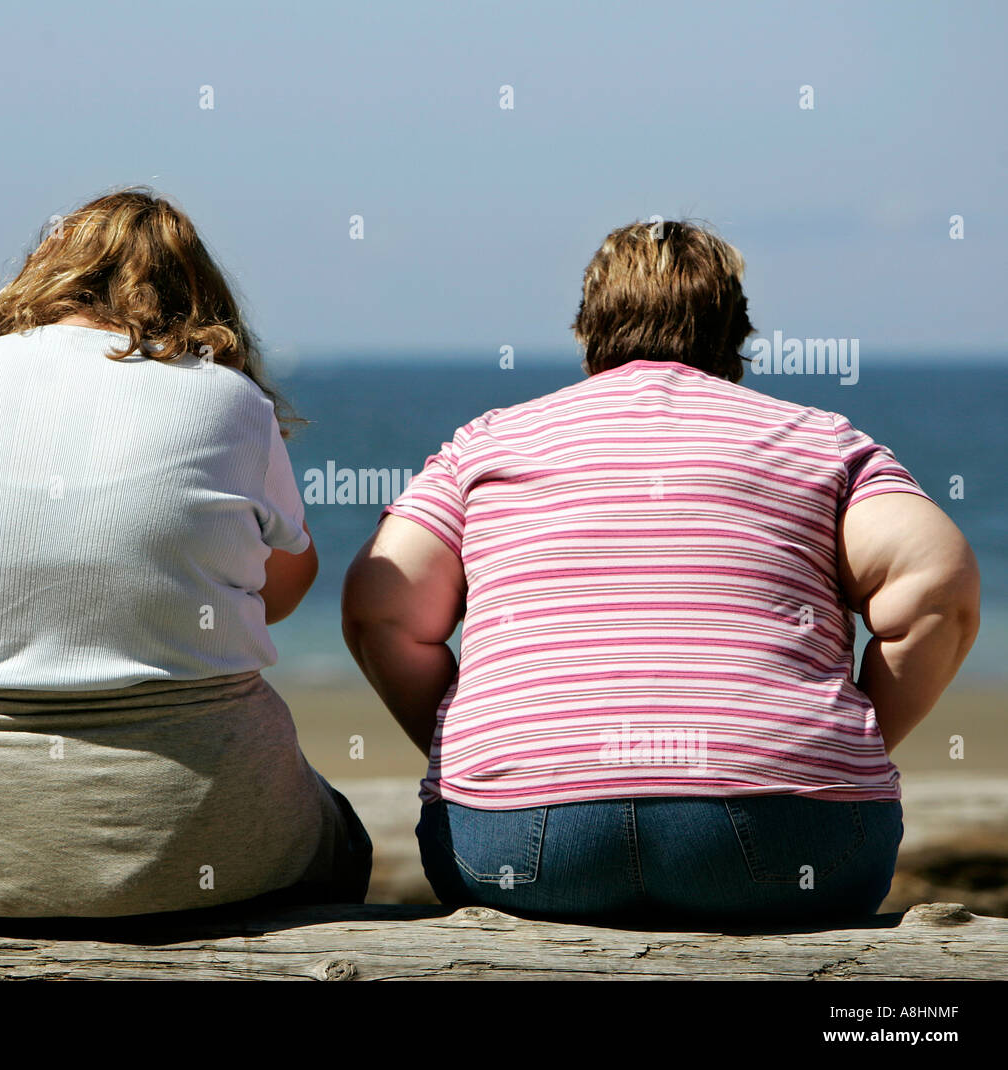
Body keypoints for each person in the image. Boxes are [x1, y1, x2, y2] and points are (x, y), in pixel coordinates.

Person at [341, 220, 979, 927]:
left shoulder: (486, 444)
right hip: (794, 839)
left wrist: (471, 748)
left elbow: (381, 607)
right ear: (736, 331)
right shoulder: (822, 440)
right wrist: (832, 746)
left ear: (588, 329)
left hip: (515, 846)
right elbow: (938, 593)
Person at [0, 187, 371, 918]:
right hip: (210, 826)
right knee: (344, 852)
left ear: (41, 276)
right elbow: (287, 576)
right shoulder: (232, 402)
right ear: (200, 302)